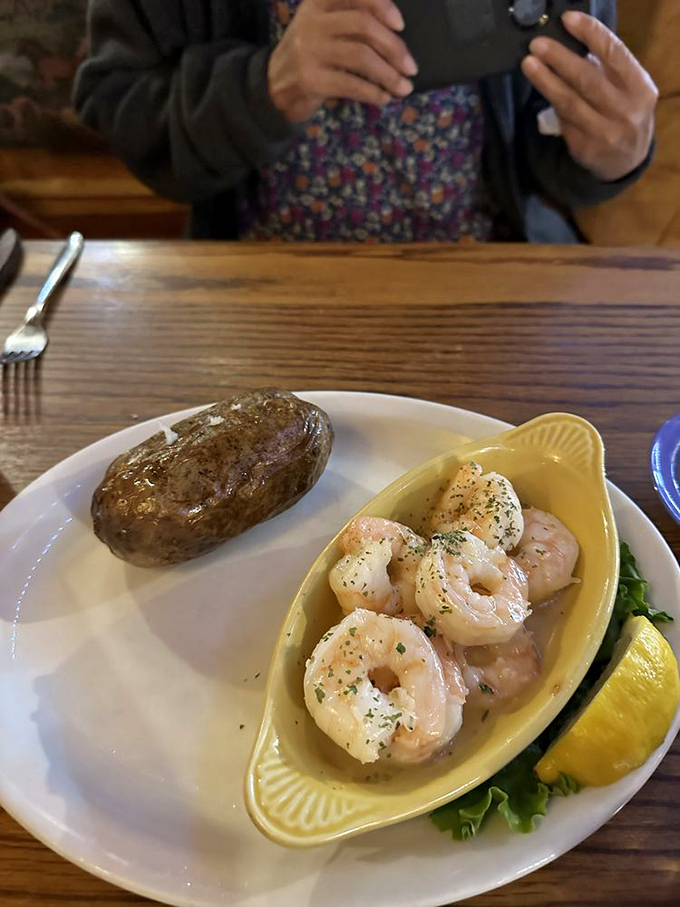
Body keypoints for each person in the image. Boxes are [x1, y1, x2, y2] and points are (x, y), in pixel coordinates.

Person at [74, 0, 657, 243]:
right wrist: (269, 85)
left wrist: (613, 156)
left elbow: (550, 155)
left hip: (491, 281)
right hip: (258, 285)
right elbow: (124, 108)